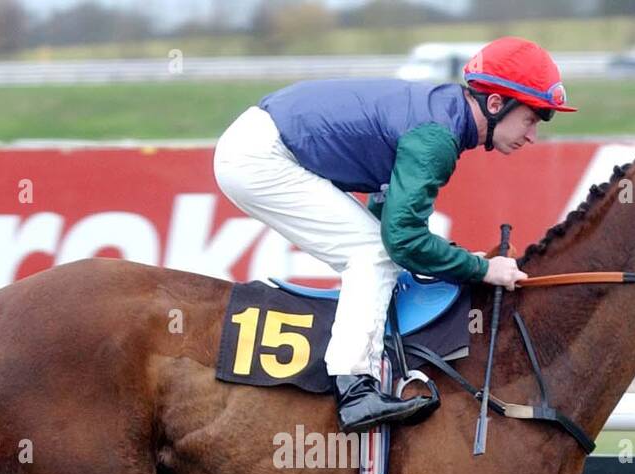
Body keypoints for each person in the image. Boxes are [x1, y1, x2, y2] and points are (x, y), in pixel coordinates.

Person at [213, 36, 577, 432]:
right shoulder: (437, 136)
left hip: (259, 141)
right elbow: (400, 239)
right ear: (495, 104)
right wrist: (482, 270)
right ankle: (354, 389)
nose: (532, 136)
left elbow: (387, 212)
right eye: (530, 119)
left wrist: (456, 262)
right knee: (372, 253)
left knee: (376, 248)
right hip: (259, 157)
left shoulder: (442, 115)